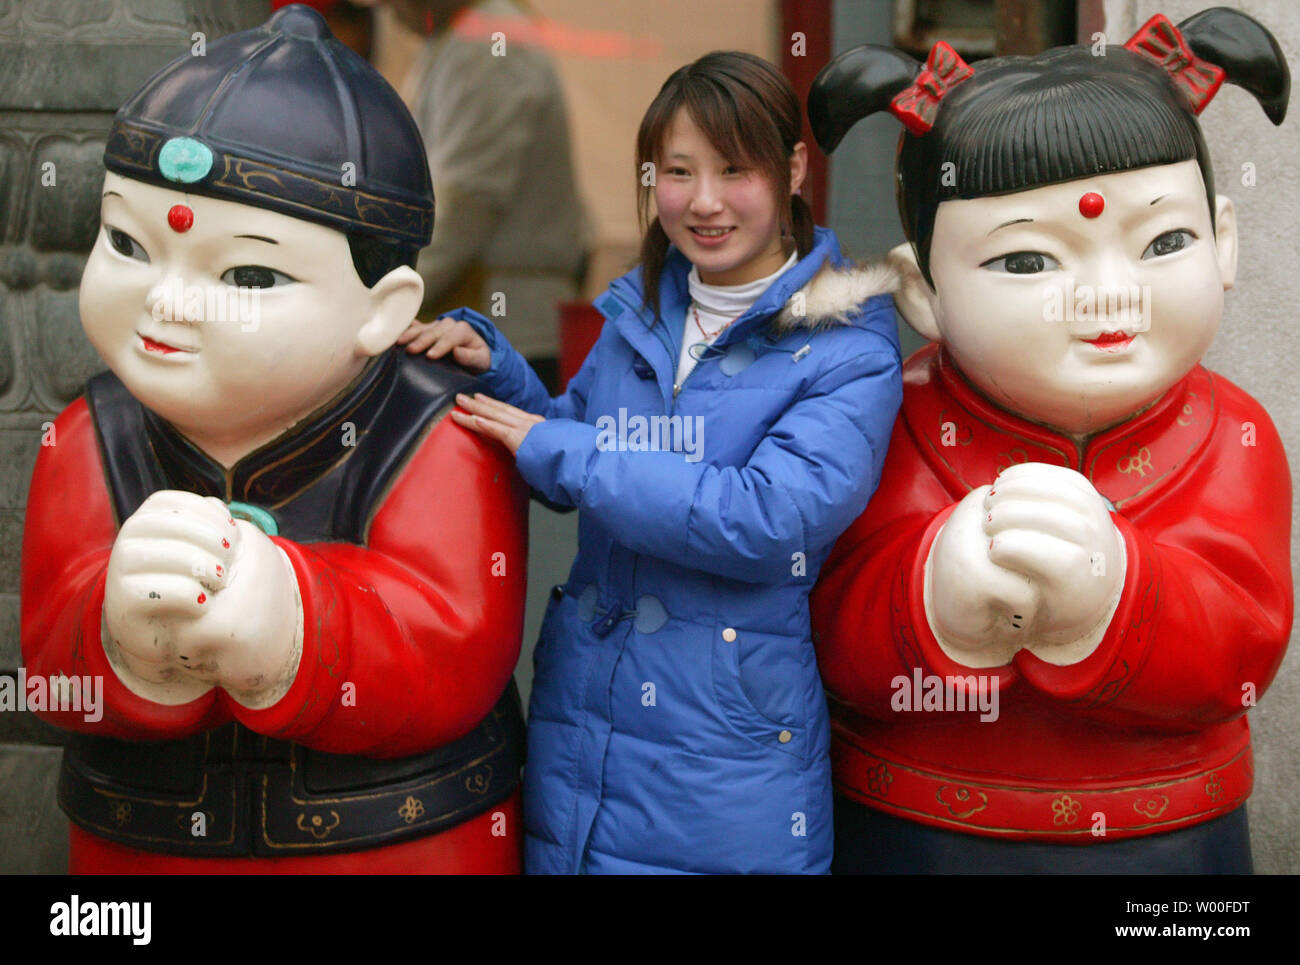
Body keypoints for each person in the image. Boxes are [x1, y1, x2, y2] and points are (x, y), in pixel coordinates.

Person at [21, 5, 528, 873]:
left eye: (248, 273)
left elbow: (457, 647)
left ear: (384, 309)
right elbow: (46, 669)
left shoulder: (444, 435)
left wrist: (297, 616)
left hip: (388, 842)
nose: (170, 302)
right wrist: (117, 634)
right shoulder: (85, 438)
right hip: (141, 846)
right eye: (128, 243)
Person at [807, 9, 1291, 872]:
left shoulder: (1237, 435)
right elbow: (831, 638)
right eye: (1029, 262)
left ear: (1224, 244)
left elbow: (1246, 649)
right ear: (921, 291)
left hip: (1170, 839)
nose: (1107, 298)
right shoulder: (884, 423)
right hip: (926, 830)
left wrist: (1121, 596)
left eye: (1163, 242)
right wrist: (929, 603)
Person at [401, 50, 903, 873]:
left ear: (795, 169)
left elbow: (766, 519)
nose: (703, 202)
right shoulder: (644, 308)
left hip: (722, 755)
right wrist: (490, 368)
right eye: (677, 171)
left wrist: (559, 446)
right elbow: (573, 446)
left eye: (734, 169)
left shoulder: (845, 349)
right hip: (584, 733)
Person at [388, 0, 586, 392]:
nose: (389, 12)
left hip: (503, 334)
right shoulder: (461, 38)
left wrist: (377, 296)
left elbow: (464, 207)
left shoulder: (488, 42)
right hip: (488, 330)